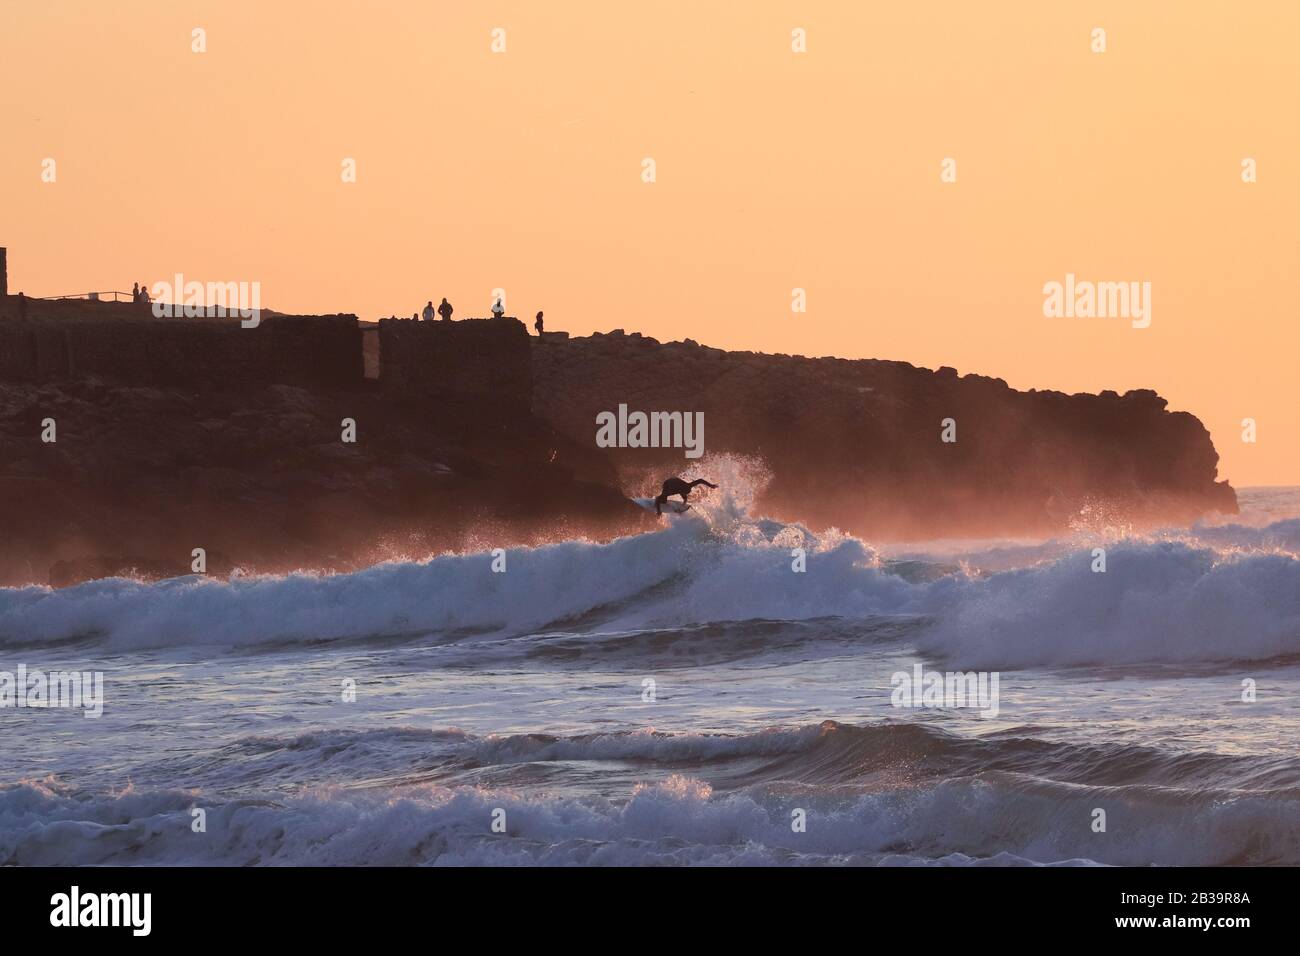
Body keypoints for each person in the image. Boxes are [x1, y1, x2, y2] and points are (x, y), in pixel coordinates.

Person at [653, 477, 717, 515]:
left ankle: (682, 504)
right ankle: (658, 499)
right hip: (668, 483)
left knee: (685, 499)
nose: (685, 494)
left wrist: (711, 485)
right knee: (663, 500)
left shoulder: (688, 486)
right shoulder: (671, 491)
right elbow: (659, 499)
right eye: (684, 493)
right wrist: (659, 511)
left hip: (676, 482)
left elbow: (700, 480)